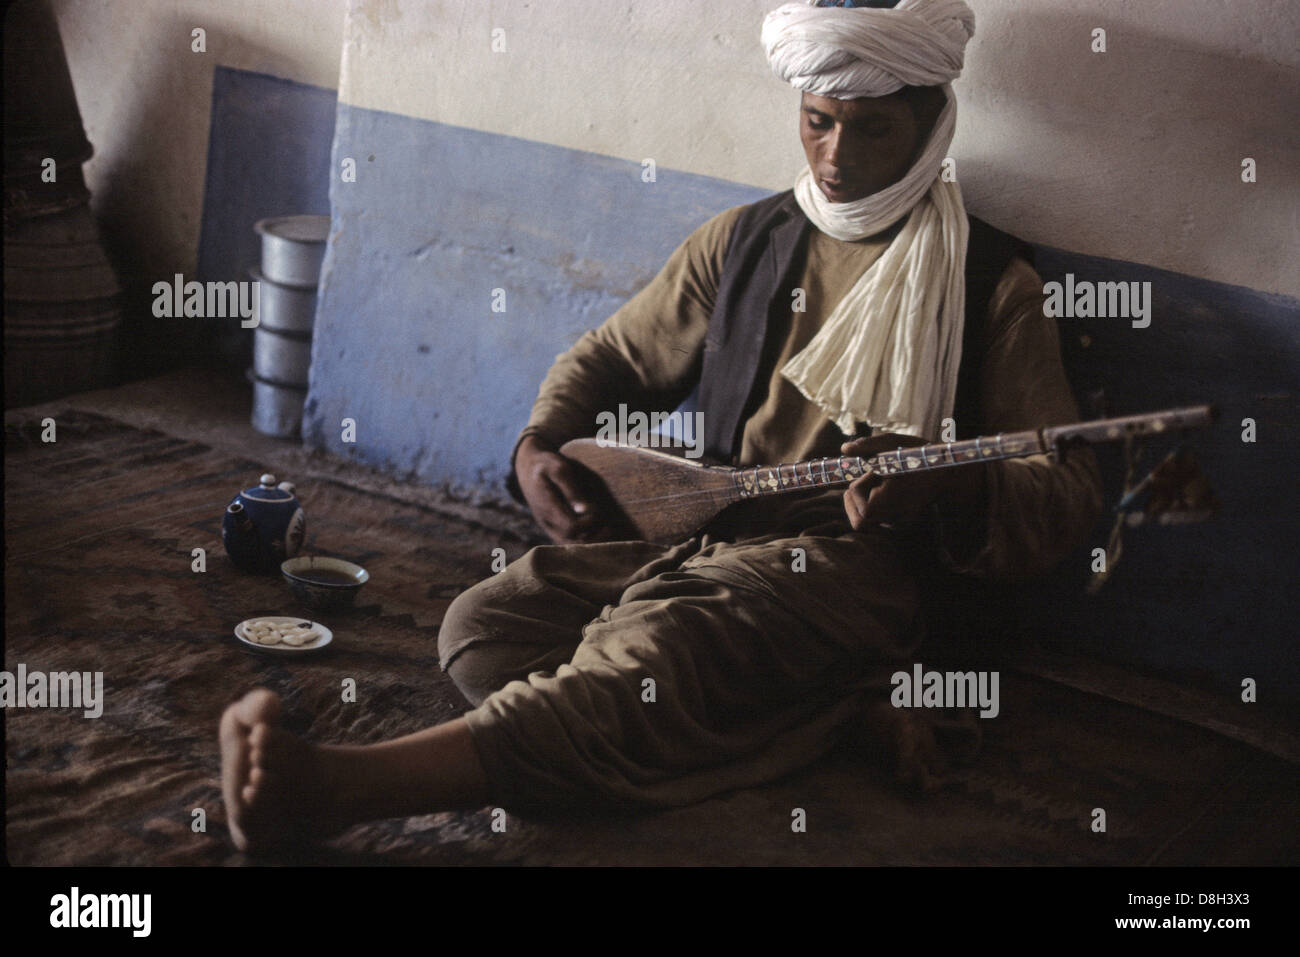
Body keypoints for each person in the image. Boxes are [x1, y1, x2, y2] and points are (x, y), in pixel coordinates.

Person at [220, 0, 1102, 851]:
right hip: (707, 533)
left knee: (650, 650)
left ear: (931, 122)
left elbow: (1063, 488)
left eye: (871, 129)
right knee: (486, 626)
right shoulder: (748, 240)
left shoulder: (991, 285)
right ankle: (828, 708)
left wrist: (949, 477)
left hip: (855, 572)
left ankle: (335, 788)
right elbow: (611, 357)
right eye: (818, 121)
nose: (835, 157)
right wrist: (537, 448)